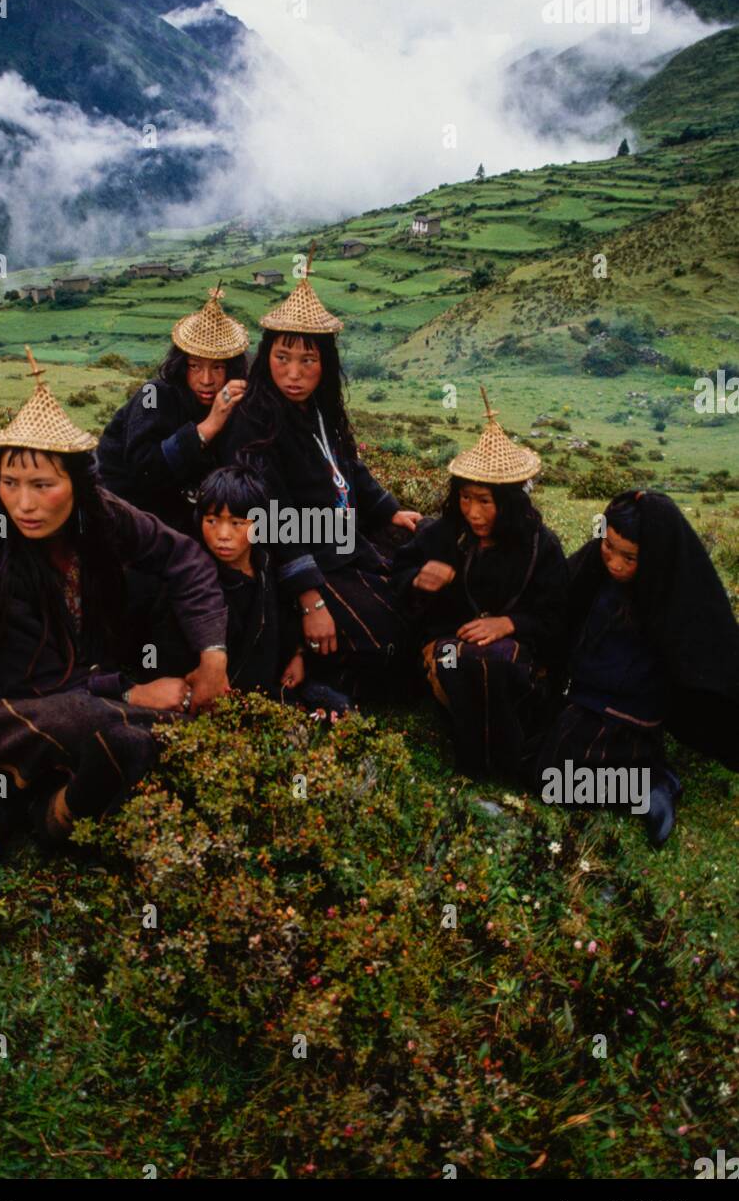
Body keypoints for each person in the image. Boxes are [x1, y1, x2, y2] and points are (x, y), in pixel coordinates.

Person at [0, 350, 229, 863]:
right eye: (10, 484)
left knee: (134, 724)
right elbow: (37, 680)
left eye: (42, 485)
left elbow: (183, 557)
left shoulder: (101, 514)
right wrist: (134, 690)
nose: (24, 504)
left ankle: (45, 805)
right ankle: (18, 791)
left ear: (76, 484)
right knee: (129, 727)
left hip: (79, 684)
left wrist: (212, 654)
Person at [224, 246, 423, 707]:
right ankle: (315, 675)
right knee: (385, 633)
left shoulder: (320, 410)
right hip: (300, 562)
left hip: (343, 541)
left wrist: (389, 511)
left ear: (325, 364)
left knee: (423, 551)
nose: (293, 374)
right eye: (282, 358)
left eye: (308, 361)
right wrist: (312, 601)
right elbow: (270, 516)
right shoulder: (253, 419)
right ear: (265, 355)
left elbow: (348, 467)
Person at [534, 489, 739, 846]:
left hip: (623, 716)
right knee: (523, 745)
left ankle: (650, 785)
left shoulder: (672, 599)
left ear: (654, 557)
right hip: (585, 698)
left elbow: (701, 662)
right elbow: (561, 607)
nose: (613, 562)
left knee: (552, 781)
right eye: (608, 546)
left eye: (629, 557)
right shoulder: (597, 573)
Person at [392, 387, 568, 780]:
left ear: (509, 503)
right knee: (463, 660)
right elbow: (398, 577)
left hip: (519, 657)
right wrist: (420, 581)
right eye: (466, 498)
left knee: (496, 661)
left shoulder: (542, 547)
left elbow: (557, 616)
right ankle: (479, 762)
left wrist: (510, 624)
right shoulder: (443, 535)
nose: (473, 512)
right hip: (447, 647)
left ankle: (498, 762)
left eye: (485, 501)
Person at [96, 286, 249, 534]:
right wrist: (208, 427)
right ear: (181, 365)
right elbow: (144, 469)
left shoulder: (234, 400)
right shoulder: (151, 393)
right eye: (195, 366)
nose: (206, 379)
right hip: (127, 513)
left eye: (218, 368)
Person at [195, 465, 306, 698]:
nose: (223, 535)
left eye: (237, 523)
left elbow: (287, 619)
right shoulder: (194, 577)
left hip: (265, 687)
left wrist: (297, 655)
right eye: (212, 520)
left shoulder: (266, 565)